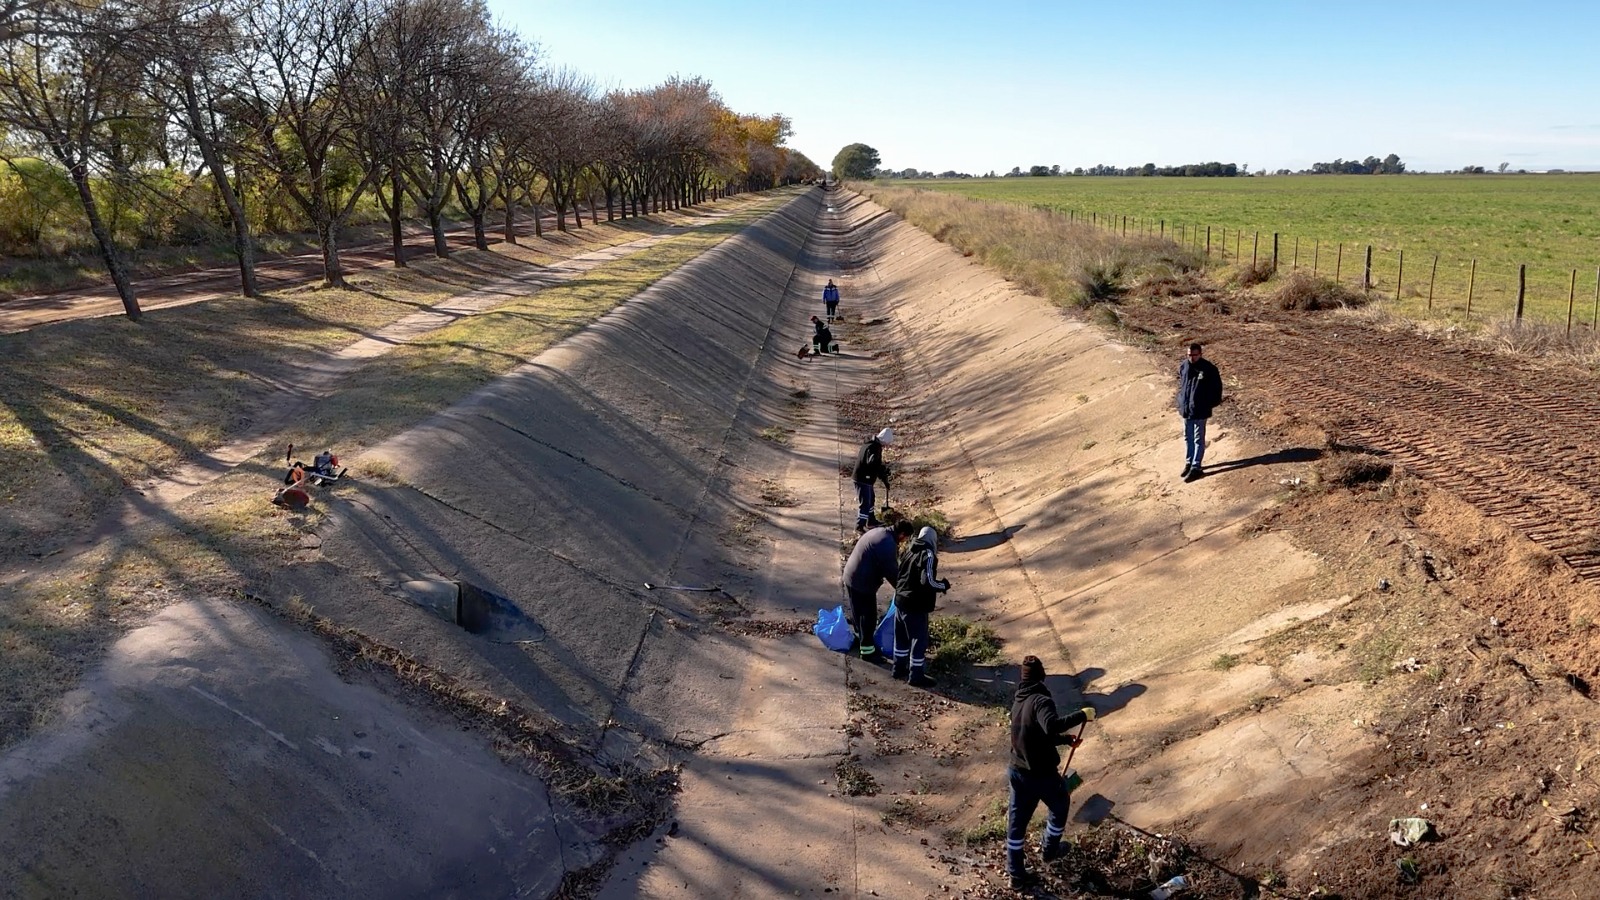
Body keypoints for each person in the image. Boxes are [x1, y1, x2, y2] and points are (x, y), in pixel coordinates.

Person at [1006, 655, 1095, 890]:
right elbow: (1051, 725)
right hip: (1039, 773)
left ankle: (1015, 875)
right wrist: (1082, 715)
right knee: (1060, 804)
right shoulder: (1041, 701)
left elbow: (1039, 733)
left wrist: (1065, 740)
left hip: (1017, 769)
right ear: (1042, 676)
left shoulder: (1019, 701)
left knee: (1017, 823)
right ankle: (1049, 849)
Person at [841, 520, 916, 663]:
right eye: (906, 538)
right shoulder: (887, 544)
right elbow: (893, 574)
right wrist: (905, 593)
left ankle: (861, 639)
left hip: (851, 576)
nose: (904, 541)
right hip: (862, 582)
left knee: (858, 612)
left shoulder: (880, 532)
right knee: (868, 616)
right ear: (902, 534)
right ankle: (868, 652)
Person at [891, 525, 948, 687]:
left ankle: (898, 668)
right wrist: (942, 585)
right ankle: (916, 675)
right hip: (915, 605)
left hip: (900, 601)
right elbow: (927, 580)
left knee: (901, 637)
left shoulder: (909, 549)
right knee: (918, 639)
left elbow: (900, 572)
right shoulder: (928, 555)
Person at [1176, 342, 1222, 483]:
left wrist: (1208, 404)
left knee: (1198, 438)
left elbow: (1217, 389)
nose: (1192, 358)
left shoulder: (1208, 369)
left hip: (1200, 410)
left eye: (1194, 355)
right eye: (1189, 355)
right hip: (1187, 409)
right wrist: (1181, 402)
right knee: (1187, 437)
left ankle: (1196, 467)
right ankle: (1189, 463)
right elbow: (1183, 386)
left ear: (1200, 354)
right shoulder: (1184, 366)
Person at [851, 427, 893, 533]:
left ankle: (871, 521)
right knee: (865, 502)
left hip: (865, 478)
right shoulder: (874, 447)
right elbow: (873, 463)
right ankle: (859, 526)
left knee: (871, 499)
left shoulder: (872, 444)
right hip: (862, 478)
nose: (887, 446)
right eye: (887, 444)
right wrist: (882, 471)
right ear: (884, 441)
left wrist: (883, 476)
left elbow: (876, 465)